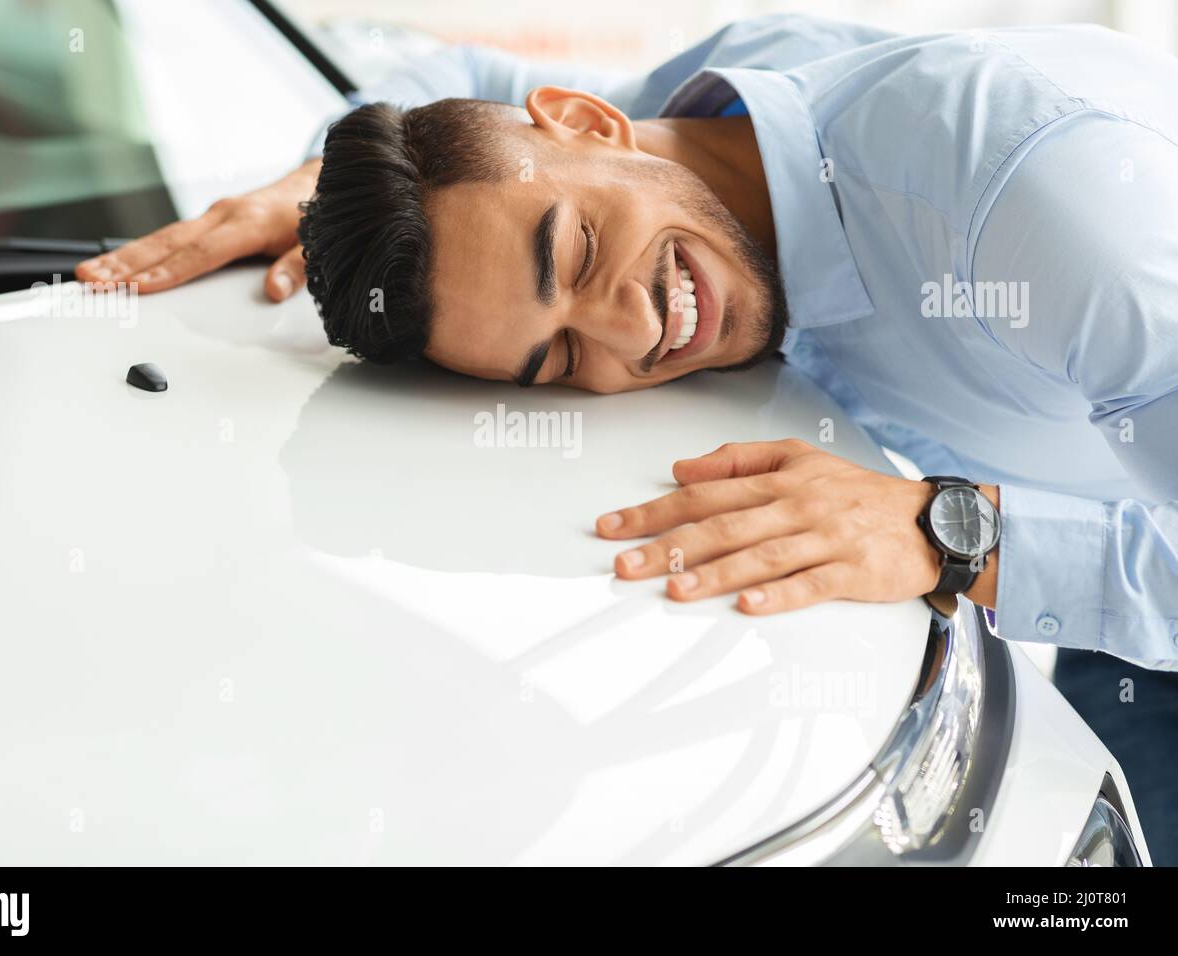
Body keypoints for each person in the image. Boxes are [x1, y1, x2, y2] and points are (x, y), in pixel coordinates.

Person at [78, 15, 1178, 862]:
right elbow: (448, 80)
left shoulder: (1043, 211)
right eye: (557, 359)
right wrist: (325, 177)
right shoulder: (687, 130)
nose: (636, 329)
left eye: (572, 255)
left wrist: (957, 532)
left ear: (591, 122)